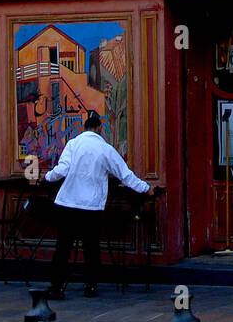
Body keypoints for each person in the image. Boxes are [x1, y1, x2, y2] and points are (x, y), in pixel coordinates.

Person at [35, 111, 152, 299]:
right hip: (91, 206)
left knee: (63, 247)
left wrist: (46, 177)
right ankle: (91, 286)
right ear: (99, 129)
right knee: (91, 248)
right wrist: (145, 188)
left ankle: (57, 287)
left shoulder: (73, 144)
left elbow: (62, 169)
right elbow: (125, 174)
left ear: (84, 129)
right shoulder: (105, 149)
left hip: (68, 203)